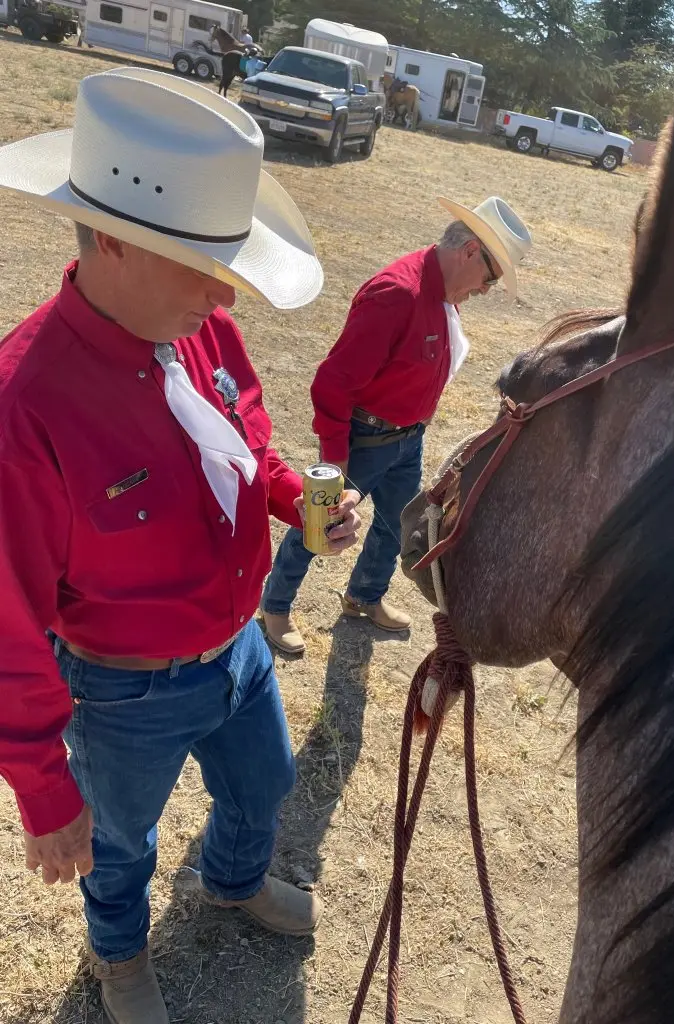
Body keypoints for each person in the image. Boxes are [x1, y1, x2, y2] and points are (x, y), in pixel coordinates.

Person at [0, 67, 362, 1024]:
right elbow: (6, 627)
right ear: (112, 240)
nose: (224, 295)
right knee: (120, 842)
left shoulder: (198, 331)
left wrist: (300, 505)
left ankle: (235, 882)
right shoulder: (25, 406)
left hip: (239, 647)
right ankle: (119, 955)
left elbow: (251, 452)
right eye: (202, 264)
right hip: (124, 689)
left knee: (269, 781)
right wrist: (44, 788)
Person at [262, 196, 532, 655]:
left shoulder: (442, 297)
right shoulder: (397, 294)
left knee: (396, 525)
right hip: (365, 440)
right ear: (470, 250)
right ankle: (276, 605)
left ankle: (364, 597)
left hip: (409, 438)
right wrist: (336, 461)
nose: (487, 290)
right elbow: (333, 384)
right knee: (320, 521)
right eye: (490, 277)